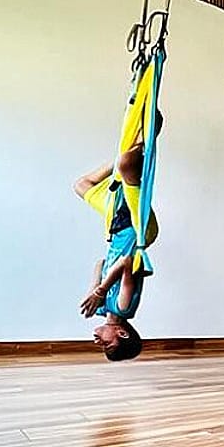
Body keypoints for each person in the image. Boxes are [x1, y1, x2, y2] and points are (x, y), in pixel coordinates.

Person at [72, 113, 162, 362]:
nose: (100, 343)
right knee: (126, 165)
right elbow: (125, 263)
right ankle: (147, 139)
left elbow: (100, 263)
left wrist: (94, 290)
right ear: (121, 333)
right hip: (138, 228)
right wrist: (100, 291)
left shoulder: (102, 309)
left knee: (82, 185)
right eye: (107, 345)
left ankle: (129, 151)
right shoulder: (123, 307)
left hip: (116, 225)